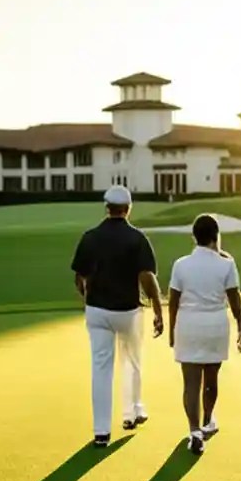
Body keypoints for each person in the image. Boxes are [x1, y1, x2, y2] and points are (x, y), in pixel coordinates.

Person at [70, 185, 164, 448]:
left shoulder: (90, 237)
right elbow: (147, 277)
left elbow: (79, 278)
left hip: (97, 310)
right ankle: (131, 413)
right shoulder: (137, 238)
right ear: (128, 208)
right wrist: (157, 308)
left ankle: (101, 432)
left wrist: (88, 298)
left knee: (100, 369)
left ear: (106, 207)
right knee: (131, 362)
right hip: (127, 311)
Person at [167, 214, 241, 455]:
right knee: (210, 379)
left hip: (188, 326)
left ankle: (194, 430)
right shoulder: (226, 264)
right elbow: (234, 299)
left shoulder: (181, 264)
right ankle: (207, 420)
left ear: (194, 237)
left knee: (191, 382)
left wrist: (172, 331)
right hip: (214, 326)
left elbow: (173, 300)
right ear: (216, 236)